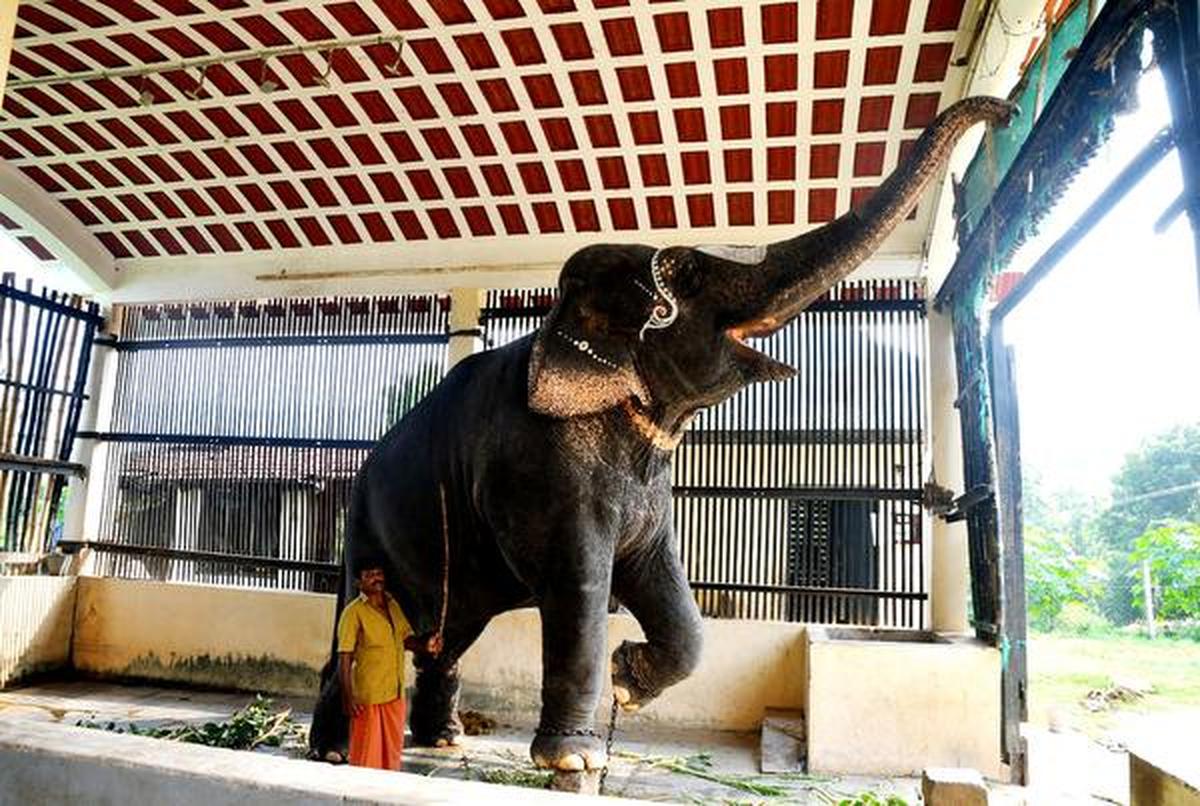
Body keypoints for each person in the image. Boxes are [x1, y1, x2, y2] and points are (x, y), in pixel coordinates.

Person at [337, 557, 442, 770]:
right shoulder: (353, 613)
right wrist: (348, 698)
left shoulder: (393, 605)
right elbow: (345, 658)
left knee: (391, 757)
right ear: (359, 583)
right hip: (369, 697)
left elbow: (405, 640)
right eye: (369, 575)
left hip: (395, 695)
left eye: (378, 573)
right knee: (365, 759)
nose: (376, 579)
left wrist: (426, 646)